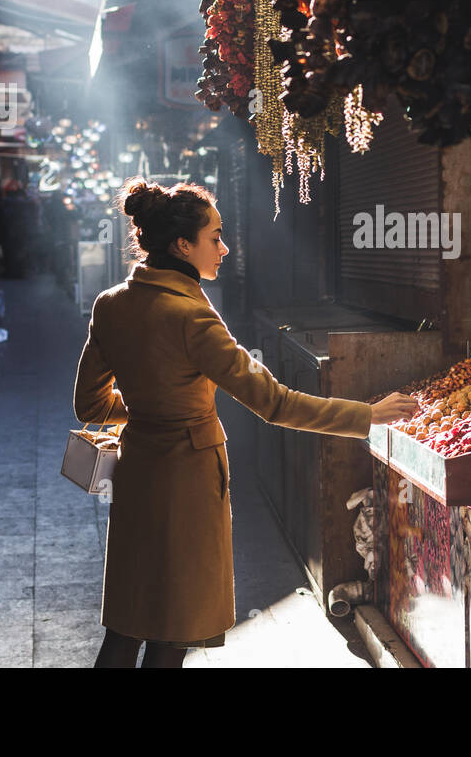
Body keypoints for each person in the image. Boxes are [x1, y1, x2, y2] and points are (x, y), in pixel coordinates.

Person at [74, 178, 417, 667]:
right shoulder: (193, 317)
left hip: (134, 478)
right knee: (173, 630)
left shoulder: (111, 304)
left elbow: (89, 405)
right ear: (182, 245)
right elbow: (274, 403)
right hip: (188, 482)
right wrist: (366, 415)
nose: (224, 248)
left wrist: (150, 409)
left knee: (126, 626)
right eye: (215, 237)